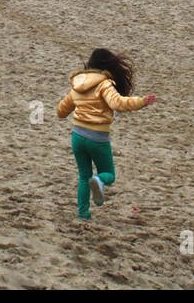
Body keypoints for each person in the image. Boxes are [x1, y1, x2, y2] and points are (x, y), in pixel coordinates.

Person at [55, 48, 157, 220]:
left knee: (83, 176)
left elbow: (61, 111)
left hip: (77, 136)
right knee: (108, 174)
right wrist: (141, 101)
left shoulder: (77, 84)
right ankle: (99, 181)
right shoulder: (104, 84)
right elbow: (118, 103)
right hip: (97, 138)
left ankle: (83, 214)